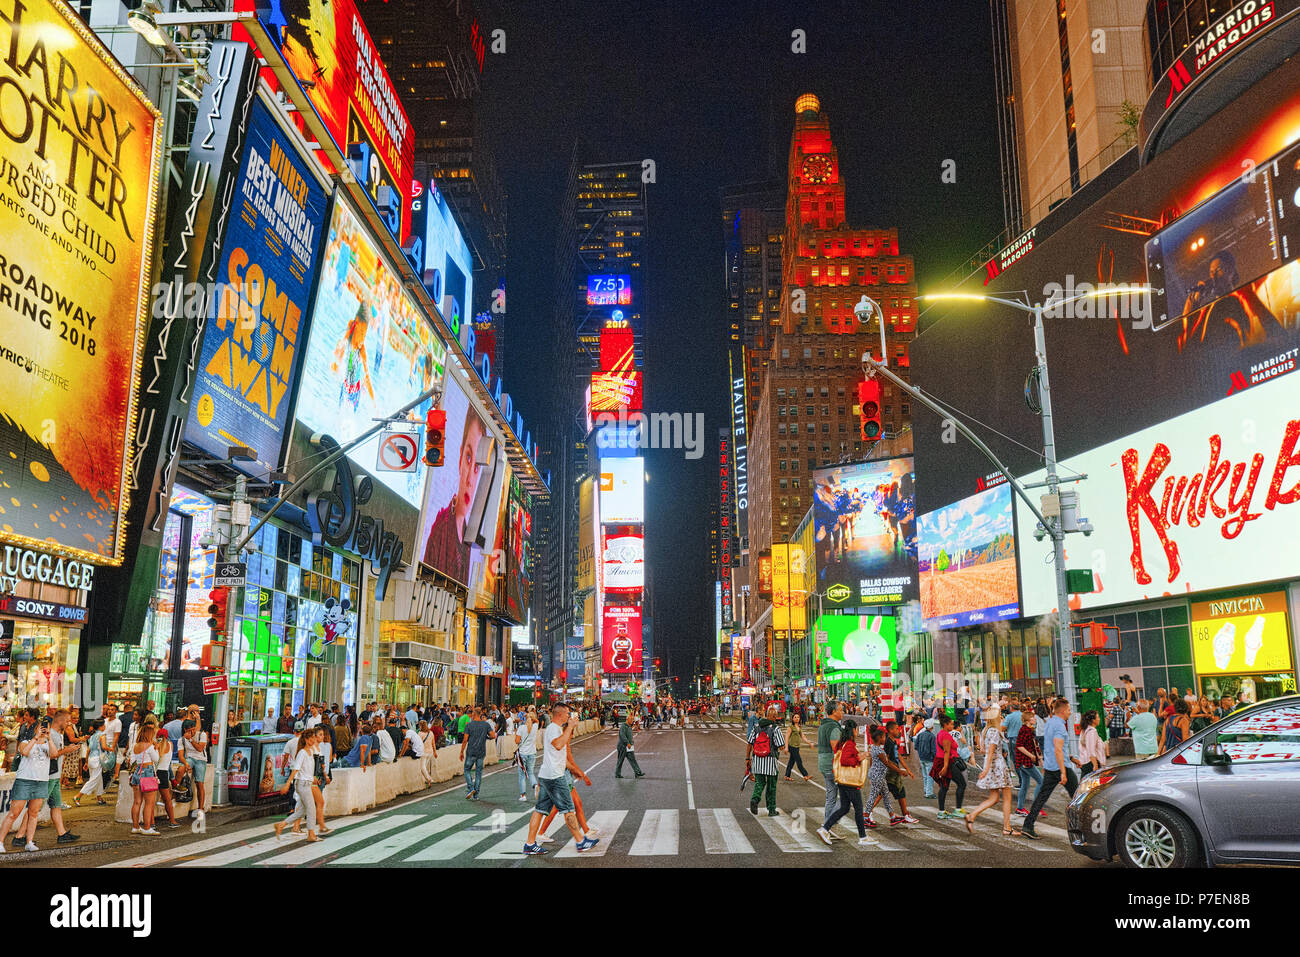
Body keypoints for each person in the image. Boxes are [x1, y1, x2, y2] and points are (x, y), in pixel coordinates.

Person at [523, 703, 597, 855]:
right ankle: (580, 842)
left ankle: (530, 844)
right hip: (555, 777)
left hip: (547, 775)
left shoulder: (554, 729)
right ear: (560, 715)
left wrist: (576, 771)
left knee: (540, 810)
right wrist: (569, 727)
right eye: (567, 714)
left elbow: (560, 755)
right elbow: (558, 745)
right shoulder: (553, 729)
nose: (569, 717)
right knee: (569, 810)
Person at [1021, 698, 1080, 840]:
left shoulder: (1050, 723)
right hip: (1060, 767)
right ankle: (1080, 827)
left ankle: (1028, 825)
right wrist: (1064, 772)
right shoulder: (1059, 726)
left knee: (1041, 797)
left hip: (1050, 766)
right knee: (1078, 798)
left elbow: (1052, 747)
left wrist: (1071, 758)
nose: (1070, 712)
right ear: (1064, 711)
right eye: (1069, 710)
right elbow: (1058, 749)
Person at [816, 714, 875, 847]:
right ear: (853, 730)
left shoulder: (843, 743)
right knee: (858, 809)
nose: (858, 731)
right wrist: (859, 758)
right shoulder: (848, 744)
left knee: (844, 807)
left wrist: (860, 755)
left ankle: (825, 828)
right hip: (850, 781)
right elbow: (845, 760)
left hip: (843, 780)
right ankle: (862, 837)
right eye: (856, 729)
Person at [964, 706, 1020, 837]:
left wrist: (987, 768)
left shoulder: (986, 730)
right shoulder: (995, 731)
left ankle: (971, 815)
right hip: (998, 766)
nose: (1001, 716)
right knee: (1007, 797)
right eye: (1000, 714)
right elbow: (989, 752)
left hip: (992, 765)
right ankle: (1007, 827)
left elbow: (983, 750)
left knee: (994, 798)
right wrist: (986, 770)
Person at [0, 717, 52, 852]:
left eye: (47, 727)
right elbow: (24, 752)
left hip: (41, 781)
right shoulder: (26, 741)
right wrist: (36, 738)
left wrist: (49, 738)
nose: (44, 729)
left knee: (34, 813)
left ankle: (29, 842)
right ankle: (0, 842)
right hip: (25, 780)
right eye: (41, 726)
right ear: (36, 728)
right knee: (14, 813)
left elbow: (54, 754)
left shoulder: (48, 744)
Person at [274, 729, 321, 843]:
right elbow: (296, 769)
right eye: (311, 738)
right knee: (311, 809)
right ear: (306, 740)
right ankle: (311, 834)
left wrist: (312, 778)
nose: (313, 740)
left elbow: (306, 770)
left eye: (314, 738)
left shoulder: (311, 752)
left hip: (307, 783)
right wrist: (287, 783)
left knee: (303, 810)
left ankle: (281, 825)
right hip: (302, 784)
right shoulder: (302, 753)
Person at [745, 706, 786, 817]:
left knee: (760, 783)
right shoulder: (775, 728)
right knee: (771, 786)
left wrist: (747, 759)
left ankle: (755, 799)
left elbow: (749, 743)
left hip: (757, 760)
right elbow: (781, 745)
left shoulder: (757, 726)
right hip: (771, 762)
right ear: (774, 716)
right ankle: (771, 810)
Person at [879, 720, 919, 824]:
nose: (899, 730)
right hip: (891, 773)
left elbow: (899, 757)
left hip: (894, 771)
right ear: (891, 730)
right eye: (896, 729)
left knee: (885, 793)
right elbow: (886, 760)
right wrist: (899, 771)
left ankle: (867, 813)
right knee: (896, 792)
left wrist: (908, 770)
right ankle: (905, 815)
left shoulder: (893, 742)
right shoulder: (888, 742)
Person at [816, 700, 846, 834]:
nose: (842, 712)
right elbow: (836, 748)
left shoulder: (823, 725)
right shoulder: (834, 727)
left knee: (831, 795)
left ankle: (828, 826)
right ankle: (829, 825)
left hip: (823, 762)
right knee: (847, 797)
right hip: (832, 764)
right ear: (833, 712)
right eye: (840, 710)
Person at [931, 714, 967, 821]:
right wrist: (946, 766)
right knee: (961, 784)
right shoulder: (946, 735)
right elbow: (946, 752)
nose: (952, 726)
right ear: (946, 725)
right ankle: (957, 809)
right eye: (951, 724)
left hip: (941, 761)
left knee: (944, 786)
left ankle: (942, 811)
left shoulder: (940, 734)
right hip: (947, 762)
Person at [129, 720, 161, 836]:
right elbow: (156, 759)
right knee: (149, 803)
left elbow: (132, 760)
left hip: (137, 772)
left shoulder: (135, 746)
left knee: (137, 802)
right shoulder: (150, 746)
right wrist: (156, 748)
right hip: (147, 772)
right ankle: (147, 828)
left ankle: (135, 827)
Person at [862, 725, 899, 827]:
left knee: (886, 796)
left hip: (878, 776)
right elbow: (887, 763)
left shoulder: (875, 748)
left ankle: (892, 817)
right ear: (879, 738)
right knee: (873, 796)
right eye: (883, 737)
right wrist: (900, 771)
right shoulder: (878, 751)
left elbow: (873, 761)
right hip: (878, 776)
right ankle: (865, 817)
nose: (885, 739)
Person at [458, 706, 496, 800]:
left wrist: (461, 751)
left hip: (471, 751)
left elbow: (465, 739)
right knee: (478, 773)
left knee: (467, 770)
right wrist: (486, 737)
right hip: (481, 751)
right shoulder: (485, 724)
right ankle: (476, 794)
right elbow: (493, 735)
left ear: (474, 714)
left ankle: (470, 788)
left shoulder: (469, 725)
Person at [1014, 708, 1044, 817]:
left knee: (1025, 786)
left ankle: (1020, 808)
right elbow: (1019, 746)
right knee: (1041, 781)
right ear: (1027, 720)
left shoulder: (1029, 729)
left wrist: (1039, 758)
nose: (1034, 718)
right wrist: (1031, 756)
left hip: (1024, 761)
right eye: (1032, 717)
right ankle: (1036, 808)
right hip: (1025, 762)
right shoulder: (1024, 730)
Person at [74, 718, 110, 807]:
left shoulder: (92, 736)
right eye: (104, 725)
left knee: (98, 778)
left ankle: (99, 797)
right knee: (94, 780)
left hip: (90, 759)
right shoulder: (102, 735)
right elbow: (104, 747)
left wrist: (86, 762)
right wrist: (111, 748)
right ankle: (78, 796)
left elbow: (88, 750)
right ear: (101, 727)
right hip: (98, 759)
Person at [155, 729, 181, 829]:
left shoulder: (155, 745)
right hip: (164, 774)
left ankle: (151, 824)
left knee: (150, 801)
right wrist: (173, 779)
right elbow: (169, 763)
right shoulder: (170, 744)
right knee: (167, 799)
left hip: (154, 773)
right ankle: (172, 821)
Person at [783, 711, 812, 782]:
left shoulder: (799, 727)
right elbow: (786, 737)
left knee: (791, 762)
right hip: (792, 746)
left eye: (798, 717)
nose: (796, 718)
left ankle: (787, 776)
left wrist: (809, 743)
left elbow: (803, 736)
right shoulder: (791, 727)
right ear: (792, 719)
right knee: (799, 761)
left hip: (797, 746)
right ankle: (805, 775)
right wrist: (786, 747)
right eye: (795, 717)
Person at [913, 718, 937, 799]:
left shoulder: (920, 735)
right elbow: (934, 750)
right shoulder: (932, 736)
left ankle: (926, 790)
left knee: (925, 775)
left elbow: (916, 747)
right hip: (929, 759)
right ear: (931, 727)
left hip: (921, 757)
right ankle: (929, 793)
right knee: (930, 776)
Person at [614, 713, 644, 778]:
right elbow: (622, 736)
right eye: (631, 719)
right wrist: (627, 743)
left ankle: (638, 772)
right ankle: (617, 774)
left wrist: (631, 743)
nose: (632, 720)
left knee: (633, 759)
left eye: (632, 719)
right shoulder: (623, 726)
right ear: (627, 719)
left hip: (629, 746)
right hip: (623, 746)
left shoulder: (629, 727)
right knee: (620, 760)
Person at [1077, 710, 1107, 775]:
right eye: (1098, 717)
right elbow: (1091, 750)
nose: (1099, 719)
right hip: (1091, 763)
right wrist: (1095, 765)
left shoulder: (1085, 730)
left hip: (1087, 763)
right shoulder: (1091, 732)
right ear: (1093, 720)